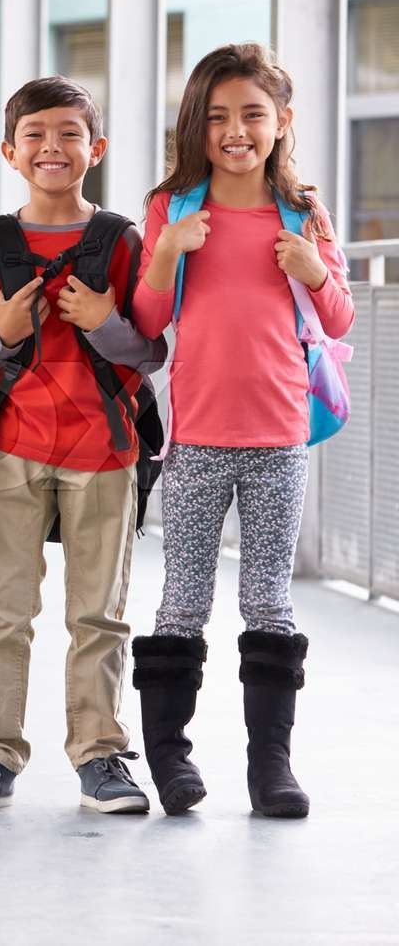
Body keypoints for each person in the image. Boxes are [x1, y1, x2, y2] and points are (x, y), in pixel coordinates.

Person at [130, 43, 354, 819]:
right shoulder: (174, 209)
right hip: (195, 439)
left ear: (282, 121)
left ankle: (272, 769)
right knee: (183, 598)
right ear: (195, 125)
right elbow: (147, 321)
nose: (235, 131)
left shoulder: (303, 211)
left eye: (252, 115)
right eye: (217, 116)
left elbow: (340, 316)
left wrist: (313, 268)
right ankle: (170, 757)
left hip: (280, 437)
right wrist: (165, 252)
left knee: (269, 601)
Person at [0, 76, 165, 815]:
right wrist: (2, 332)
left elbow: (149, 351)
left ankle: (100, 755)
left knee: (98, 614)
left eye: (70, 133)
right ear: (10, 151)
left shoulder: (121, 241)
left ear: (95, 149)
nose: (52, 148)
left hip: (105, 449)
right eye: (35, 135)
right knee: (4, 610)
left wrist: (102, 318)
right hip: (13, 449)